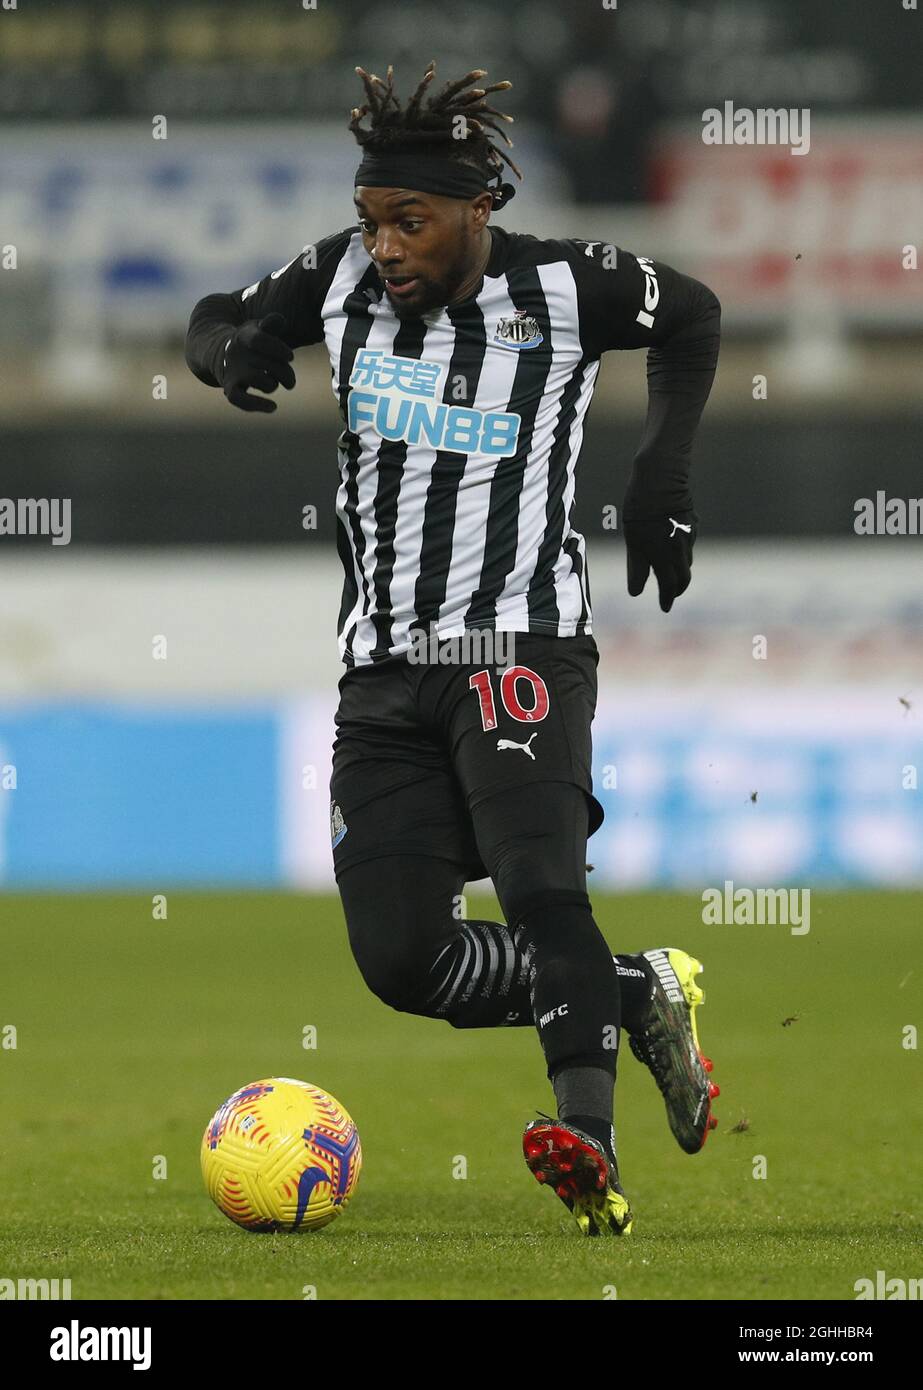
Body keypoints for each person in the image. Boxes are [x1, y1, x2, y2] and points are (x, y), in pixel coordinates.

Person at [185, 60, 720, 1237]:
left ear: (478, 212)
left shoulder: (568, 286)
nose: (383, 245)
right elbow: (213, 316)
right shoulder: (335, 274)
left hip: (518, 643)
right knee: (400, 961)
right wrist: (224, 354)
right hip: (379, 672)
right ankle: (633, 991)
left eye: (409, 223)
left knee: (540, 894)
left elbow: (690, 314)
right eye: (374, 220)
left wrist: (660, 472)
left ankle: (584, 1133)